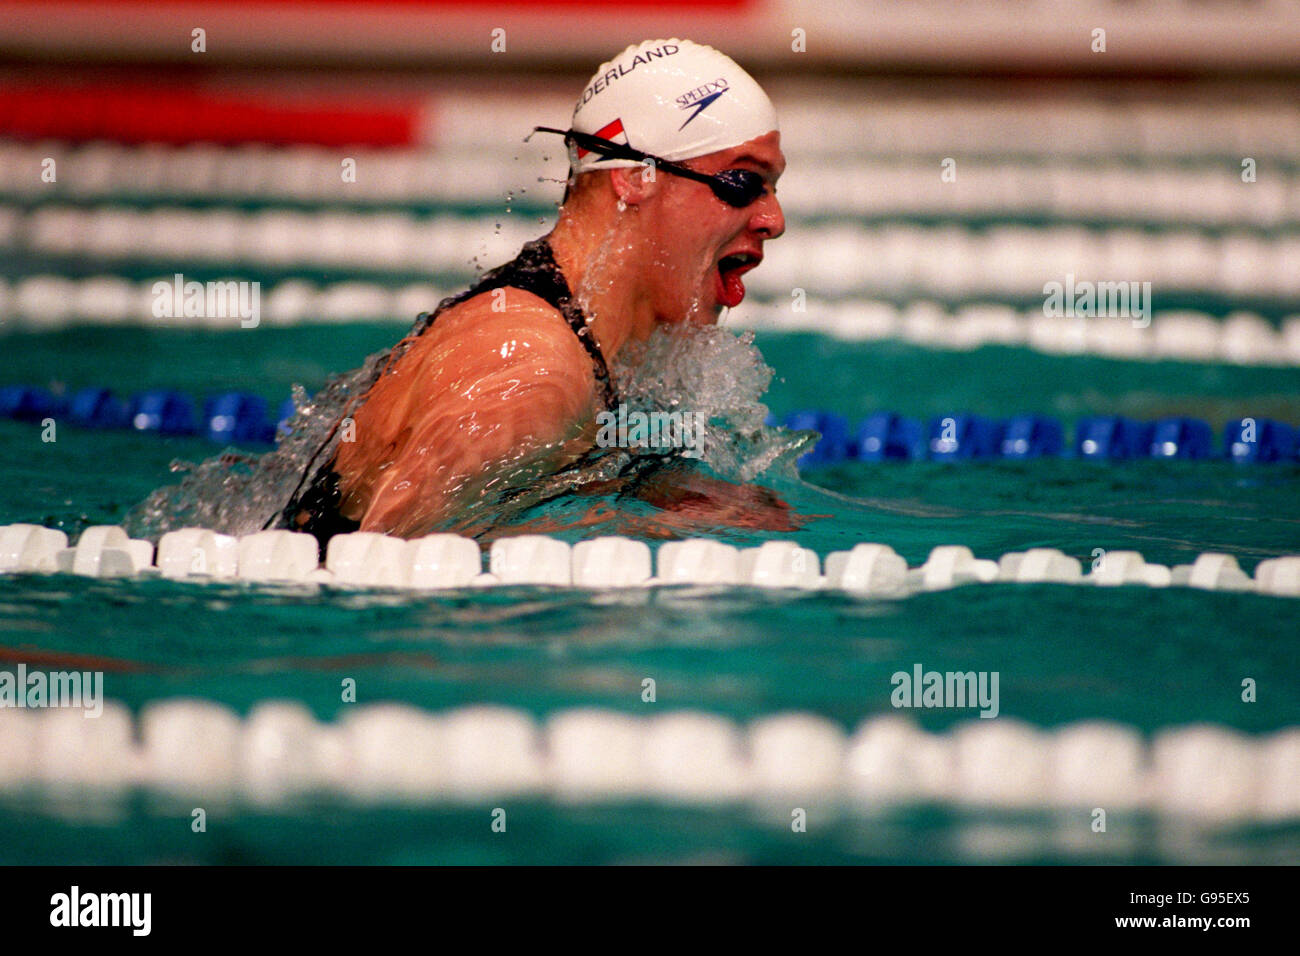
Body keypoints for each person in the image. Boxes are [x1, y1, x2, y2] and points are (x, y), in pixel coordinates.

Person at [278, 38, 797, 549]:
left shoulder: (586, 343)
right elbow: (379, 572)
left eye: (772, 189)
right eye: (742, 182)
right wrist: (630, 527)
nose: (773, 220)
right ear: (633, 177)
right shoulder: (532, 372)